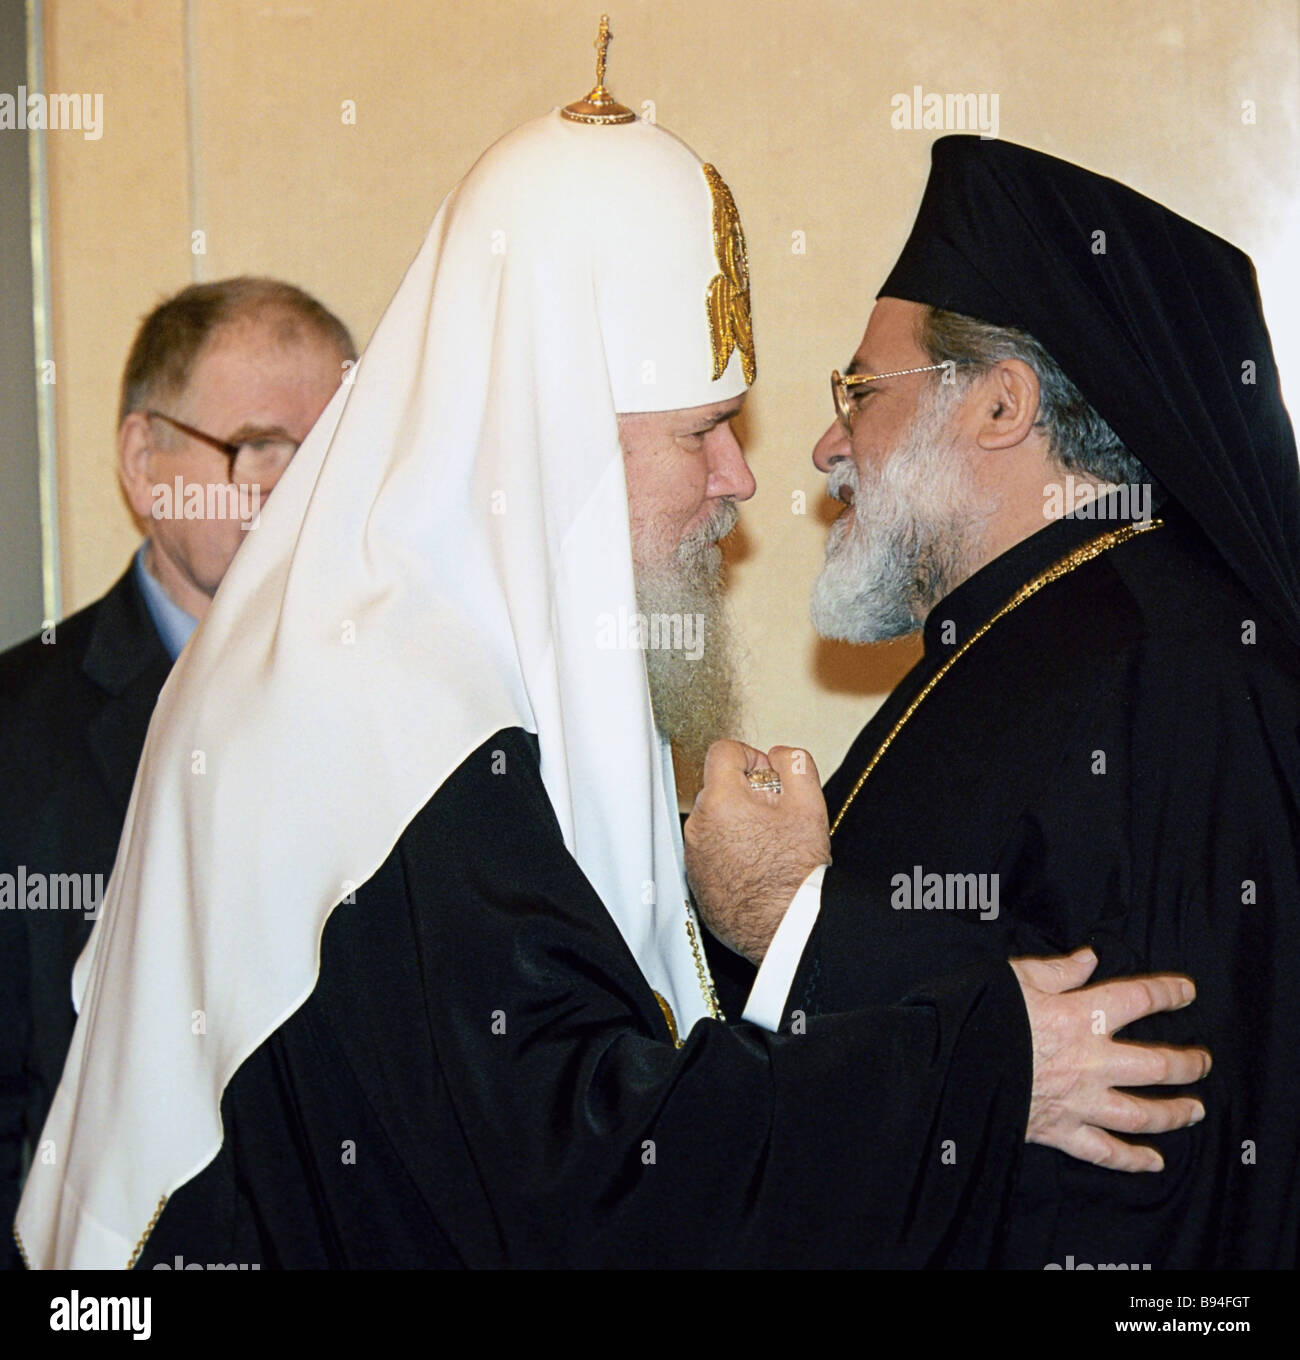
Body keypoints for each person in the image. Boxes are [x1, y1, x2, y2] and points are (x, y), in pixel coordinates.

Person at [15, 72, 1207, 1270]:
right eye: (702, 430)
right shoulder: (389, 711)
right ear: (556, 441)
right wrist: (983, 1066)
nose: (740, 477)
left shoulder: (416, 652)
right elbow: (595, 1174)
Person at [687, 136, 1299, 1268]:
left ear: (1002, 404)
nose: (826, 446)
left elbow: (1154, 1098)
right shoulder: (1029, 631)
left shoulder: (1170, 666)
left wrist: (794, 920)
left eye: (858, 393)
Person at [0, 278, 355, 1266]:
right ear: (144, 462)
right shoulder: (19, 735)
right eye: (258, 448)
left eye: (328, 452)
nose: (295, 493)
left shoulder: (408, 713)